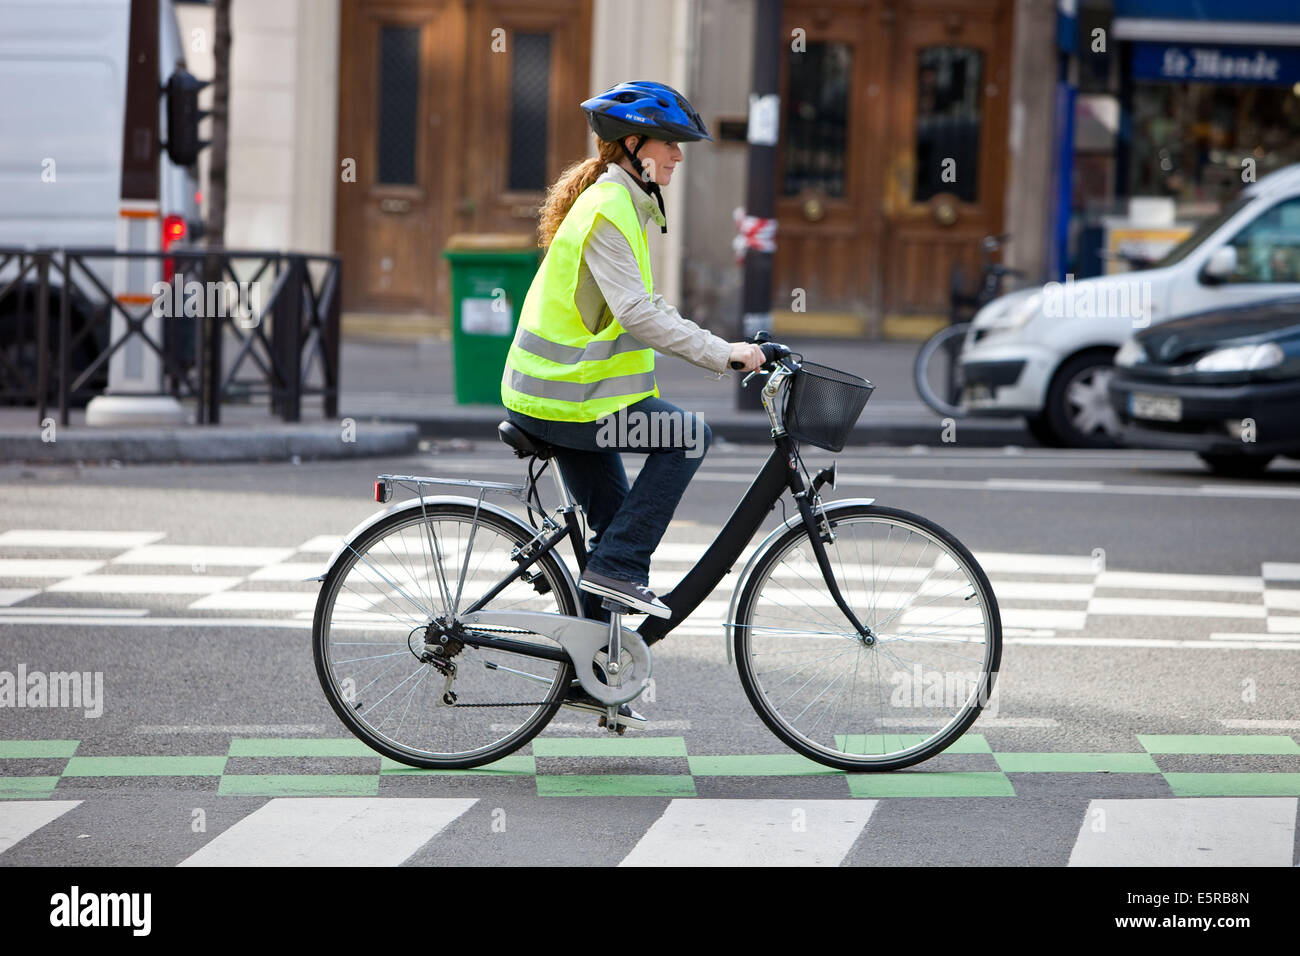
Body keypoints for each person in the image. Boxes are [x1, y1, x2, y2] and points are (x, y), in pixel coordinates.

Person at [500, 80, 764, 624]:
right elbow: (637, 316)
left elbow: (645, 305)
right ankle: (617, 572)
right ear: (633, 145)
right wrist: (723, 356)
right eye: (668, 143)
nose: (676, 156)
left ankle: (590, 673)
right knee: (689, 438)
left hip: (566, 398)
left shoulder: (620, 202)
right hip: (567, 401)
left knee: (614, 535)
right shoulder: (610, 207)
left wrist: (723, 346)